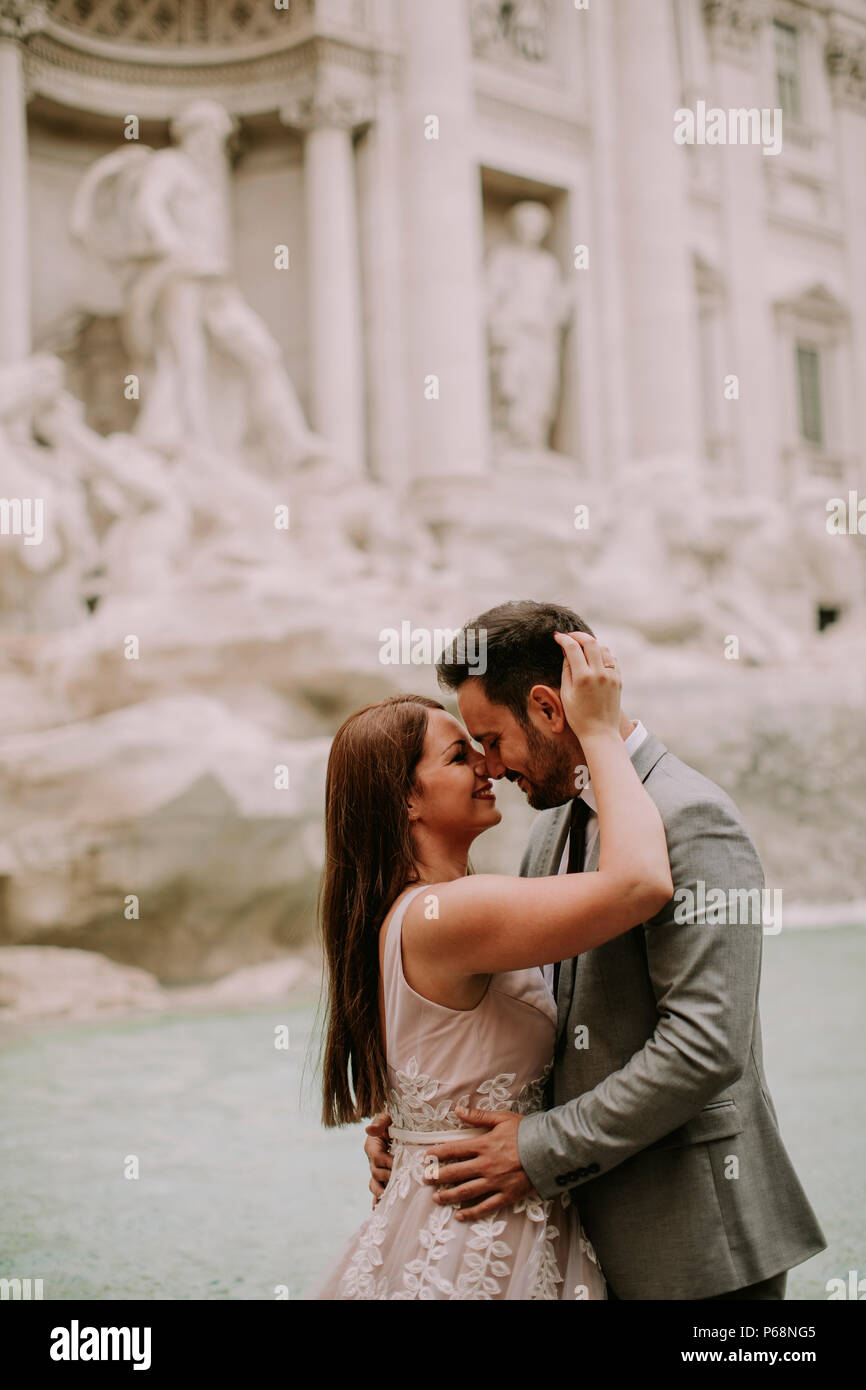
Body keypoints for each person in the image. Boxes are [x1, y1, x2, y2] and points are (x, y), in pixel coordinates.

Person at [366, 601, 827, 1300]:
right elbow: (527, 1024)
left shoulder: (693, 818)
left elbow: (704, 1046)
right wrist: (418, 1130)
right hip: (584, 1239)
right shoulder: (548, 833)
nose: (490, 766)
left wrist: (537, 1148)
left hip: (697, 1245)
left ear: (550, 709)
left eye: (491, 738)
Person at [314, 631, 672, 1299]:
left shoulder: (411, 914)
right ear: (407, 801)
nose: (487, 764)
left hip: (465, 1209)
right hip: (481, 1234)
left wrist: (414, 1134)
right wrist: (598, 734)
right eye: (458, 755)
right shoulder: (449, 914)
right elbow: (641, 884)